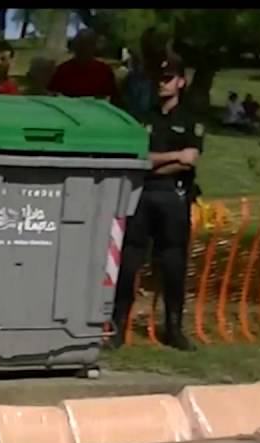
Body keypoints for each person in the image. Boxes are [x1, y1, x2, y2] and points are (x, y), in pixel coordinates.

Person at [108, 54, 203, 352]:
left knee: (173, 263)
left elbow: (190, 161)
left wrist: (158, 163)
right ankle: (117, 326)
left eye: (169, 79)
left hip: (174, 196)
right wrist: (173, 157)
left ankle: (173, 328)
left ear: (181, 82)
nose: (163, 84)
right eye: (159, 79)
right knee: (129, 262)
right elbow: (141, 159)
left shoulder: (190, 119)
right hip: (143, 194)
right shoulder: (144, 118)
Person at [48, 28, 119, 102]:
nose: (83, 49)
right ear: (75, 47)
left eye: (87, 45)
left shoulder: (104, 71)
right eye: (80, 45)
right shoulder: (63, 70)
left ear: (94, 47)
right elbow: (52, 94)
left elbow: (111, 98)